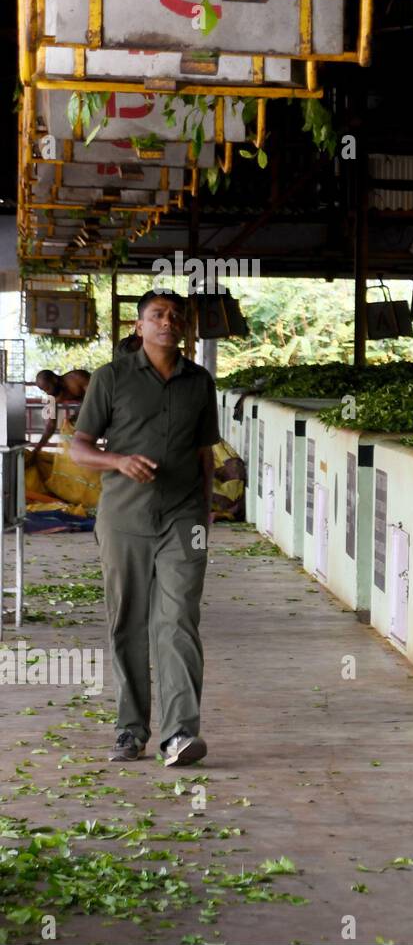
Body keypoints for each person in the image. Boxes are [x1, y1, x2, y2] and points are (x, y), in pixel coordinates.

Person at [70, 291, 219, 767]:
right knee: (129, 621)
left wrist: (206, 511)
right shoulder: (110, 378)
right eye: (157, 315)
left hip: (183, 518)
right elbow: (80, 448)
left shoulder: (200, 383)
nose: (167, 322)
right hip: (124, 519)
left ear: (185, 328)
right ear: (139, 326)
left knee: (178, 621)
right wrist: (117, 460)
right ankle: (130, 732)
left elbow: (203, 454)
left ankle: (178, 735)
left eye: (176, 316)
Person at [31, 368, 91, 457]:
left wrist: (78, 415)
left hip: (106, 403)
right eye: (44, 391)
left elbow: (95, 397)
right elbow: (50, 426)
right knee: (69, 430)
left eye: (48, 388)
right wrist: (36, 450)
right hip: (88, 412)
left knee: (78, 413)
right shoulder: (52, 398)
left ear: (54, 379)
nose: (47, 393)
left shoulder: (77, 377)